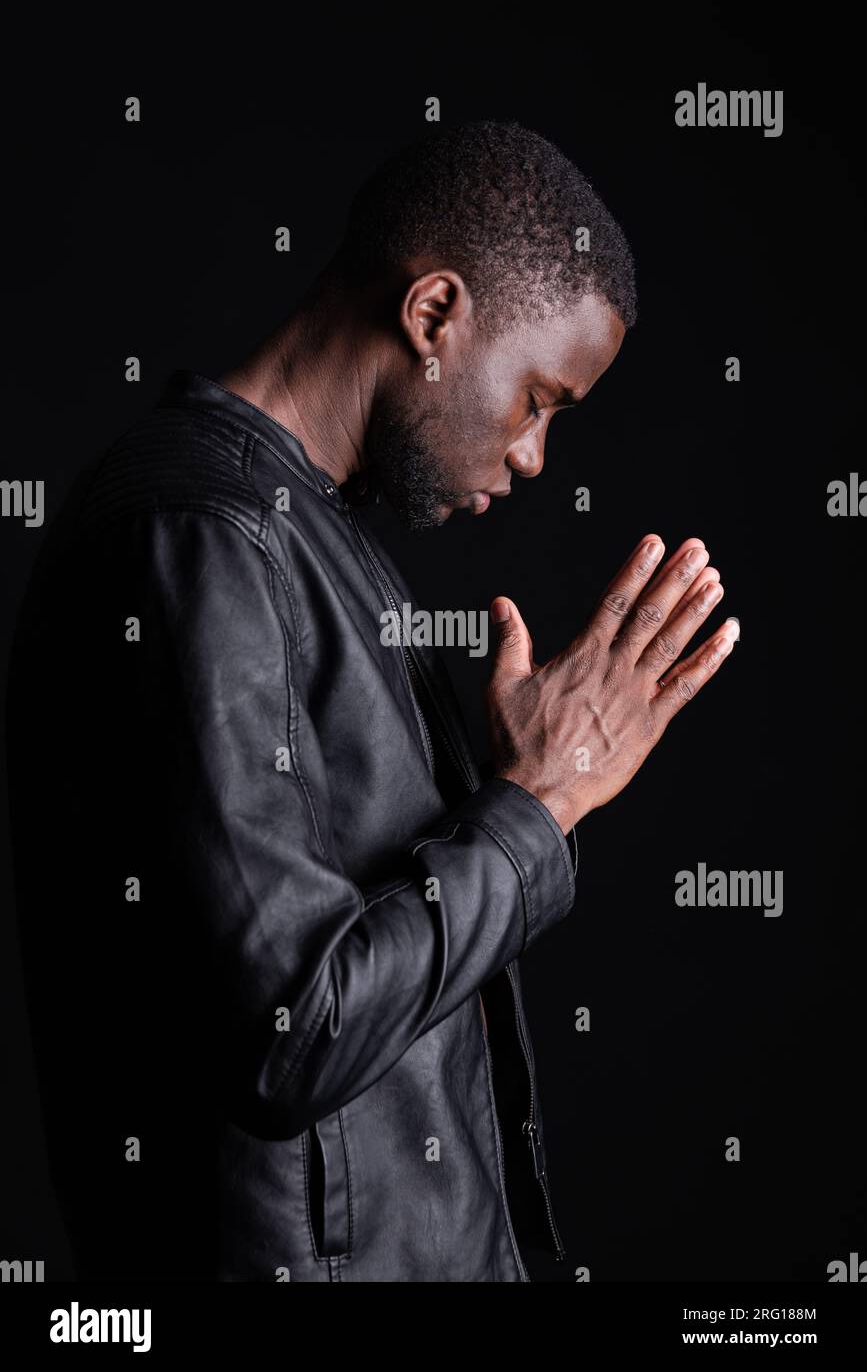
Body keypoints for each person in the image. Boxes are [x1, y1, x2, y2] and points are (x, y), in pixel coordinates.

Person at [6, 120, 736, 1283]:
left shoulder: (301, 527)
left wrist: (495, 788)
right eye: (540, 399)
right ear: (436, 314)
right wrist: (536, 803)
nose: (537, 455)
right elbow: (289, 1033)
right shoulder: (199, 537)